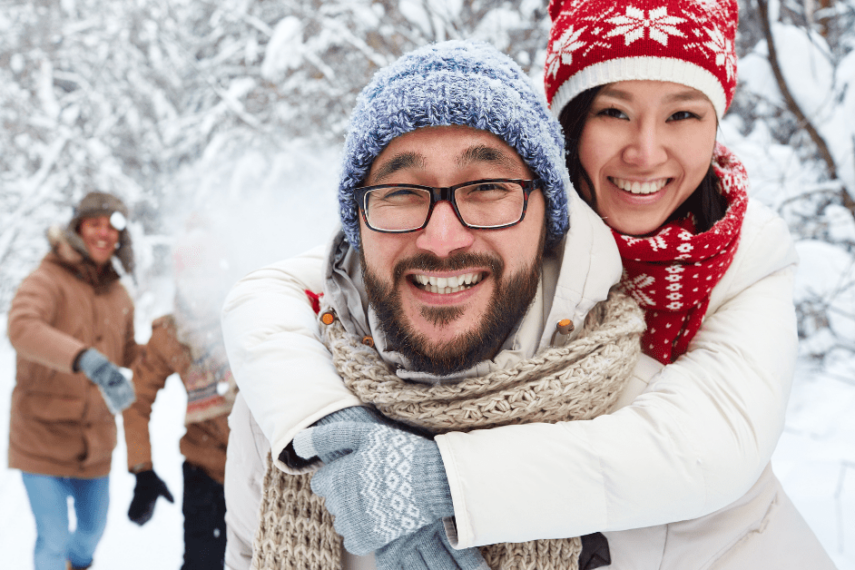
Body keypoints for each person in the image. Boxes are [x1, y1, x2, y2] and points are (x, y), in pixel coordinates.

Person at [224, 31, 834, 570]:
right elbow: (267, 292)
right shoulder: (289, 422)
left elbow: (715, 450)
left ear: (552, 220)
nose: (441, 238)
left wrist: (439, 482)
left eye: (488, 187)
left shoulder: (667, 450)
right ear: (357, 226)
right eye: (402, 192)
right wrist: (329, 429)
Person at [7, 191, 139, 570]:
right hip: (41, 436)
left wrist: (171, 343)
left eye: (112, 227)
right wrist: (83, 357)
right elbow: (22, 327)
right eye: (94, 224)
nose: (104, 234)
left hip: (95, 442)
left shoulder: (119, 294)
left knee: (91, 532)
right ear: (77, 229)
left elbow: (129, 353)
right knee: (53, 537)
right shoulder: (47, 279)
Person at [123, 222, 238, 570]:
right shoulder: (169, 335)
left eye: (207, 275)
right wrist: (142, 470)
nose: (200, 287)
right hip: (203, 469)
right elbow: (136, 401)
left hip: (260, 468)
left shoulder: (247, 317)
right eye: (191, 277)